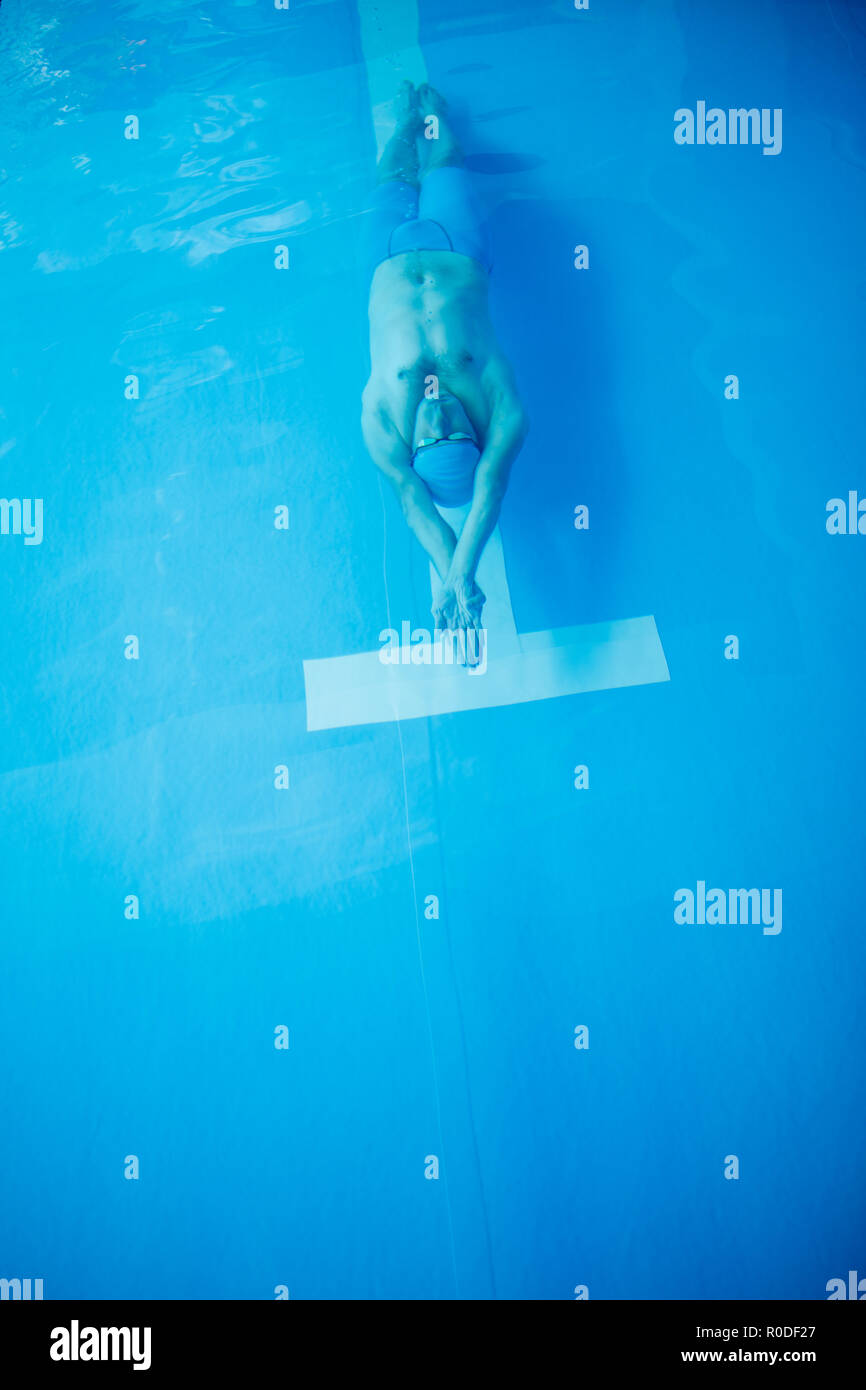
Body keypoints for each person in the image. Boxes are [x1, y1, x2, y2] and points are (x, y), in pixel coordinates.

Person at [361, 82, 528, 642]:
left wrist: (446, 572)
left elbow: (413, 502)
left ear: (415, 448)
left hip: (382, 258)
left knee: (392, 177)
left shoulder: (383, 424)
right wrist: (464, 576)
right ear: (477, 444)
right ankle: (434, 113)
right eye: (459, 431)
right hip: (458, 247)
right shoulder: (500, 407)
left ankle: (406, 125)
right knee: (448, 159)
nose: (443, 414)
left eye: (433, 435)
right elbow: (492, 487)